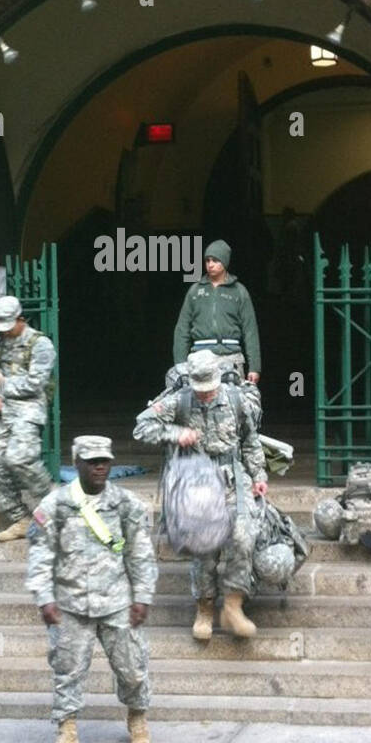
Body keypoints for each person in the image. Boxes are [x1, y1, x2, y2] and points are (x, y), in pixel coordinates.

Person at [26, 435, 157, 743]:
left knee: (132, 668)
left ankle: (137, 716)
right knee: (66, 671)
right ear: (77, 463)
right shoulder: (56, 505)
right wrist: (44, 598)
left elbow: (140, 553)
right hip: (70, 604)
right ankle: (67, 734)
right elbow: (40, 554)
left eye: (105, 461)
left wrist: (142, 596)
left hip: (117, 602)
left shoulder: (125, 503)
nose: (100, 466)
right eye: (92, 461)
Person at [134, 349, 267, 640]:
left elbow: (250, 439)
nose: (205, 394)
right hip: (197, 481)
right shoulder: (179, 401)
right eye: (201, 390)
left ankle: (233, 605)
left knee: (243, 536)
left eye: (210, 389)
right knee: (205, 548)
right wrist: (174, 434)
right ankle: (205, 608)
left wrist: (258, 476)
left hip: (233, 477)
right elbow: (141, 427)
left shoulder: (235, 398)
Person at [0, 294, 57, 543]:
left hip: (29, 409)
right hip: (4, 412)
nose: (4, 332)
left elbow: (36, 383)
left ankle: (56, 506)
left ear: (20, 319)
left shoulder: (40, 344)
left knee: (19, 457)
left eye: (8, 326)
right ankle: (21, 519)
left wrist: (2, 385)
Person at [173, 239, 261, 383]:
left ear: (225, 262)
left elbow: (250, 330)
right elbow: (182, 330)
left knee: (233, 402)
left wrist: (254, 367)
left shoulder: (239, 291)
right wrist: (180, 365)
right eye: (207, 260)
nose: (210, 264)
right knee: (201, 402)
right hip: (200, 358)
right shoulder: (195, 292)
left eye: (215, 260)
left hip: (231, 357)